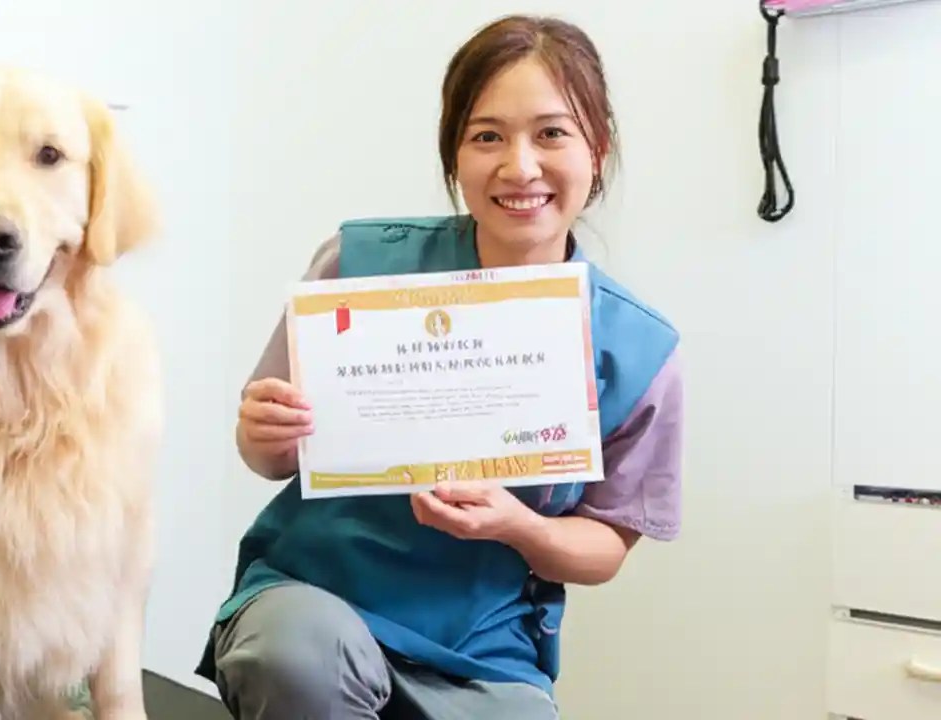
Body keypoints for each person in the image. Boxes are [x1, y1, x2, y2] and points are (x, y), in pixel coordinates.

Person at [195, 13, 683, 720]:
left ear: (597, 149)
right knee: (294, 658)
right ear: (454, 154)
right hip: (317, 602)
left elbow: (605, 547)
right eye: (487, 136)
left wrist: (518, 526)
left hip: (485, 647)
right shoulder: (356, 267)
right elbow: (267, 457)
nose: (519, 167)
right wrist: (263, 431)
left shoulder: (639, 350)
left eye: (552, 133)